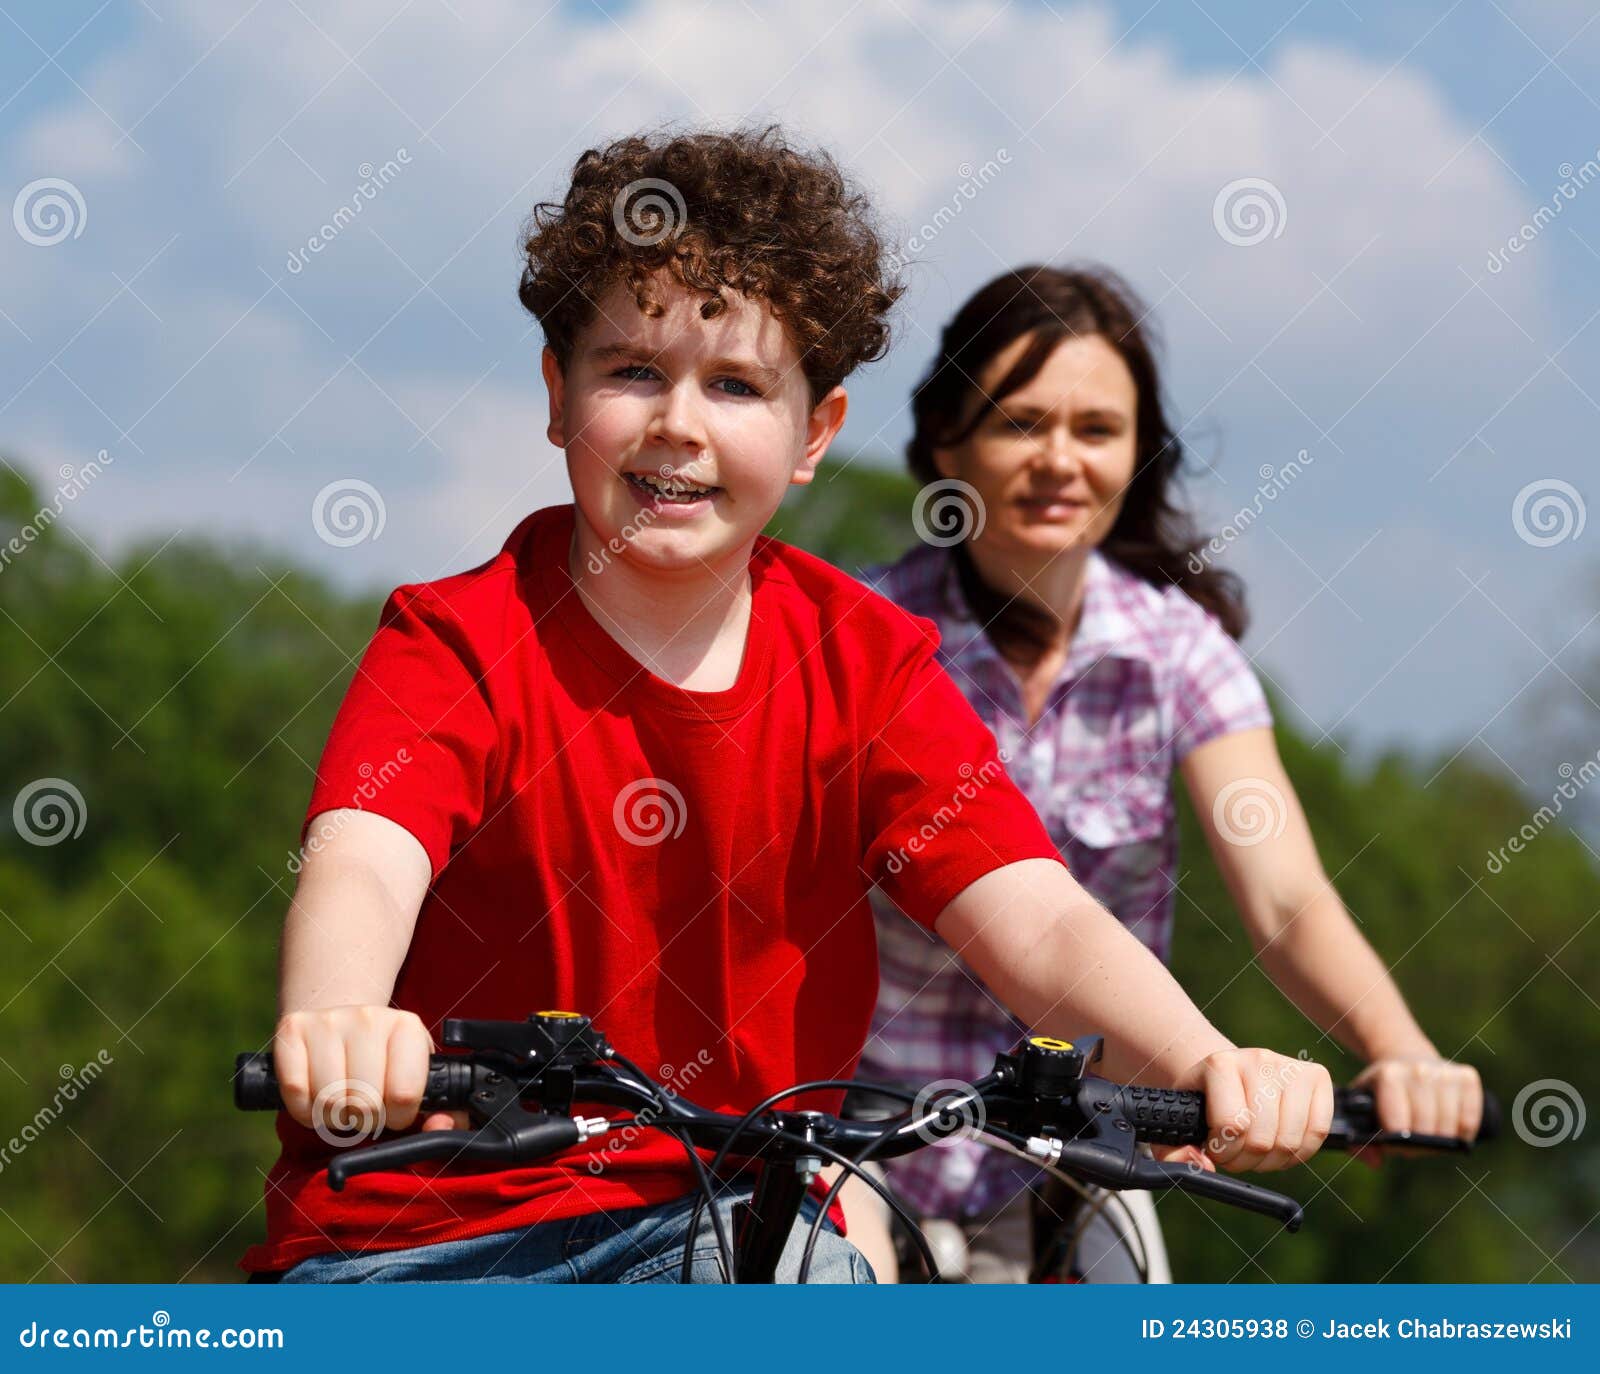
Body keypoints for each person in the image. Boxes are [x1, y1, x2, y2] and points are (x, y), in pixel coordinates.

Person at [237, 132, 1334, 1285]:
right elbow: (363, 857)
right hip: (425, 1236)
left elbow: (1038, 921)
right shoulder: (457, 641)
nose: (680, 423)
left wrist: (1210, 1061)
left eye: (737, 385)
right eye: (632, 371)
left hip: (722, 1220)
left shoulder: (867, 666)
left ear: (815, 433)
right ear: (557, 396)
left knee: (821, 1288)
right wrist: (339, 1017)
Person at [837, 264, 1484, 1283]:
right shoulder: (860, 638)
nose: (1058, 460)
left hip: (1083, 1145)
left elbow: (1285, 898)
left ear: (1138, 454)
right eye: (1018, 423)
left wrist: (1397, 1048)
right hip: (860, 1136)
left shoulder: (1182, 653)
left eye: (1096, 430)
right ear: (945, 443)